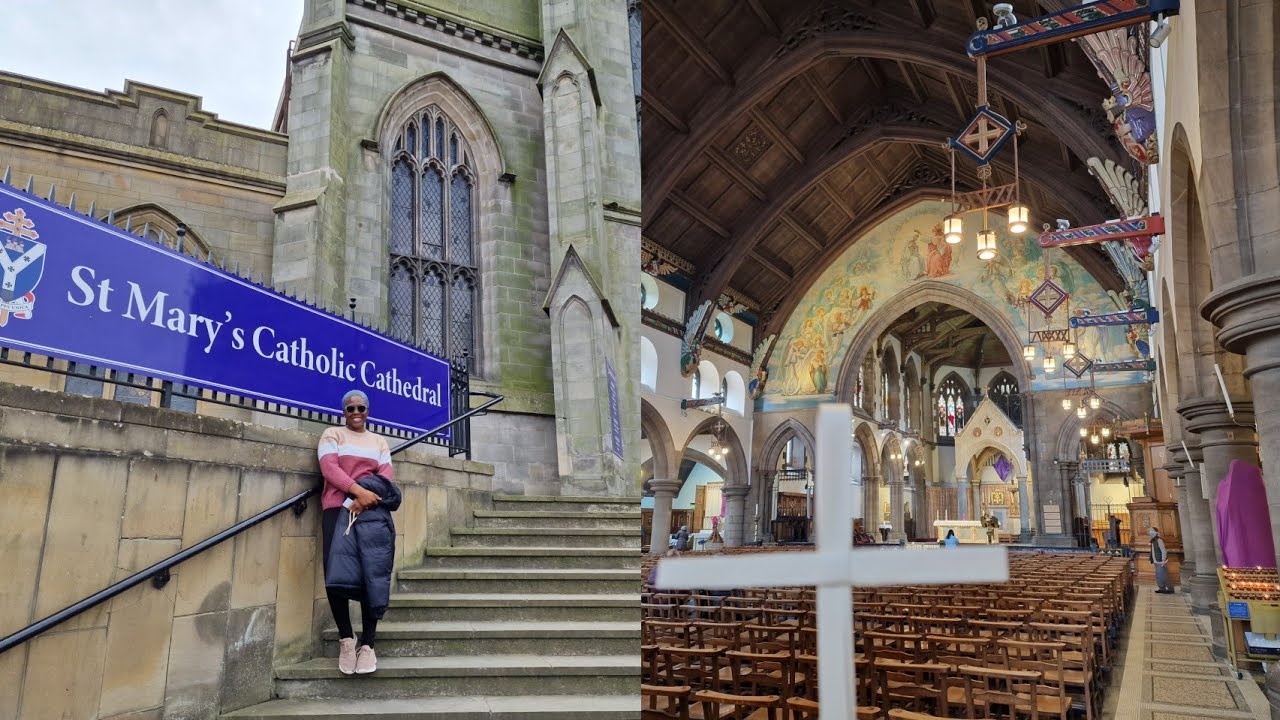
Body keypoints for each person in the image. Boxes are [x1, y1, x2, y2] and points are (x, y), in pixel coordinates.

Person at [318, 390, 392, 675]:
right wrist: (357, 494)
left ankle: (368, 644)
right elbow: (329, 469)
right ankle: (346, 639)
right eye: (350, 408)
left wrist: (363, 499)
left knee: (369, 575)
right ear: (344, 412)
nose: (356, 412)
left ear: (368, 410)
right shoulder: (332, 435)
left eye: (361, 407)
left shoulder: (379, 441)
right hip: (337, 510)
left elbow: (385, 475)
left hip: (370, 512)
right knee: (335, 574)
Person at [1149, 526, 1174, 594]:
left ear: (1156, 532)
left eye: (1151, 531)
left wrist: (1163, 560)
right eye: (1150, 531)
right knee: (1158, 575)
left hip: (1160, 561)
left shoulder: (1159, 540)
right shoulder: (1152, 540)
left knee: (1163, 575)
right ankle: (1161, 588)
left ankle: (1169, 589)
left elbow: (1163, 550)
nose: (1150, 532)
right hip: (1156, 561)